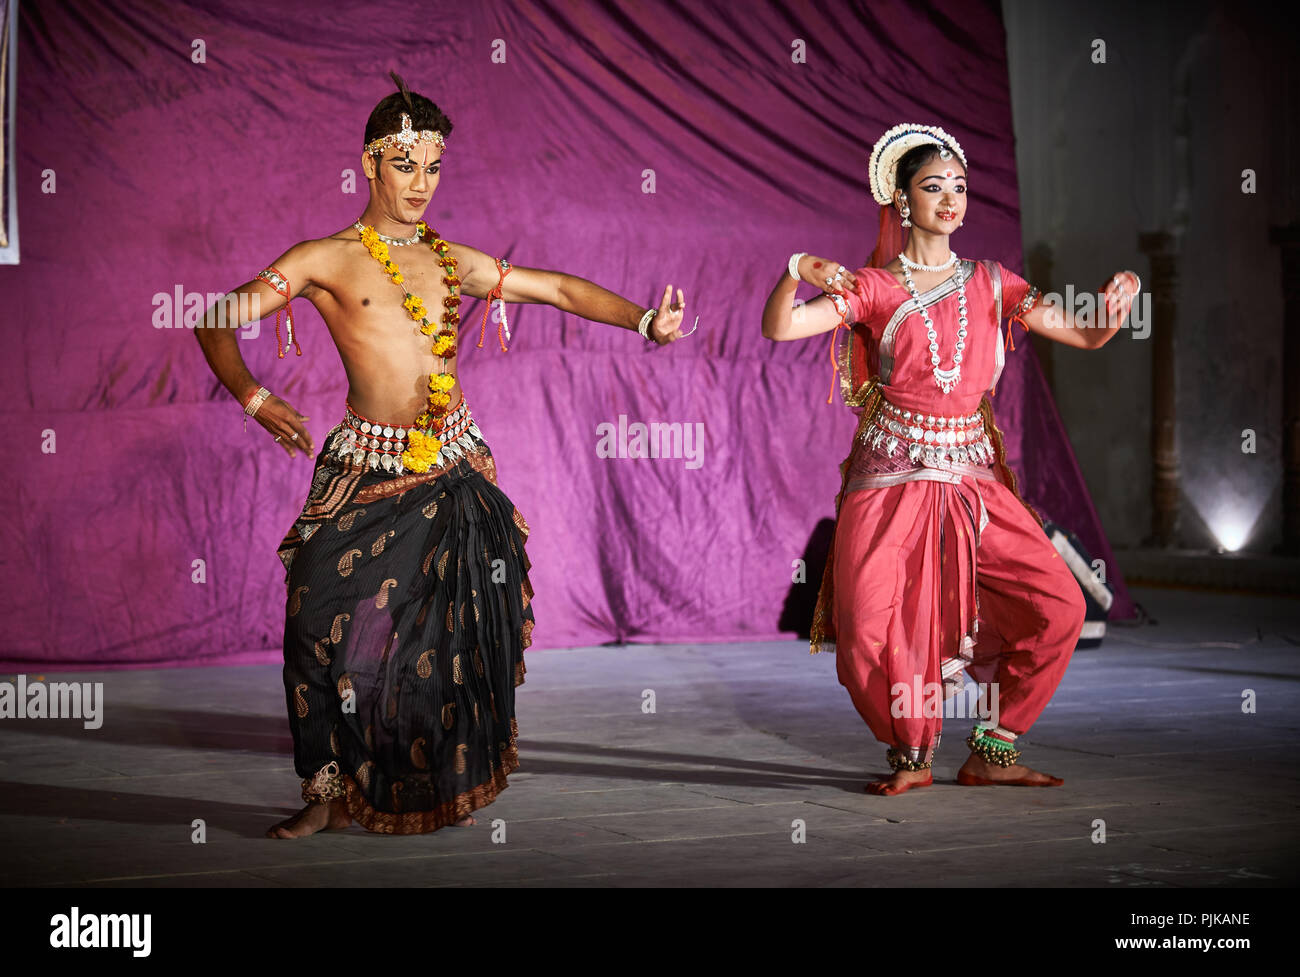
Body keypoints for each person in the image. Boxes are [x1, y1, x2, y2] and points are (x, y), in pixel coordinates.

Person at [194, 72, 694, 837]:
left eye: (433, 166)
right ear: (368, 163)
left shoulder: (449, 259)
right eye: (404, 165)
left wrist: (646, 321)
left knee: (443, 631)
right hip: (365, 464)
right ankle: (326, 787)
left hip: (453, 467)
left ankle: (432, 779)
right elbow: (213, 318)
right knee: (314, 616)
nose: (420, 183)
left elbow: (555, 289)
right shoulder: (323, 259)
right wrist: (256, 400)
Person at [761, 123, 1138, 796]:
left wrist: (1112, 312)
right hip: (891, 483)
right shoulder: (873, 287)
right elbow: (782, 326)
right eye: (933, 186)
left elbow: (1081, 332)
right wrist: (796, 268)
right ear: (902, 201)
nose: (951, 198)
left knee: (1058, 604)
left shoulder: (994, 283)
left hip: (972, 482)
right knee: (872, 627)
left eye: (960, 186)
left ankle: (995, 747)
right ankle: (911, 753)